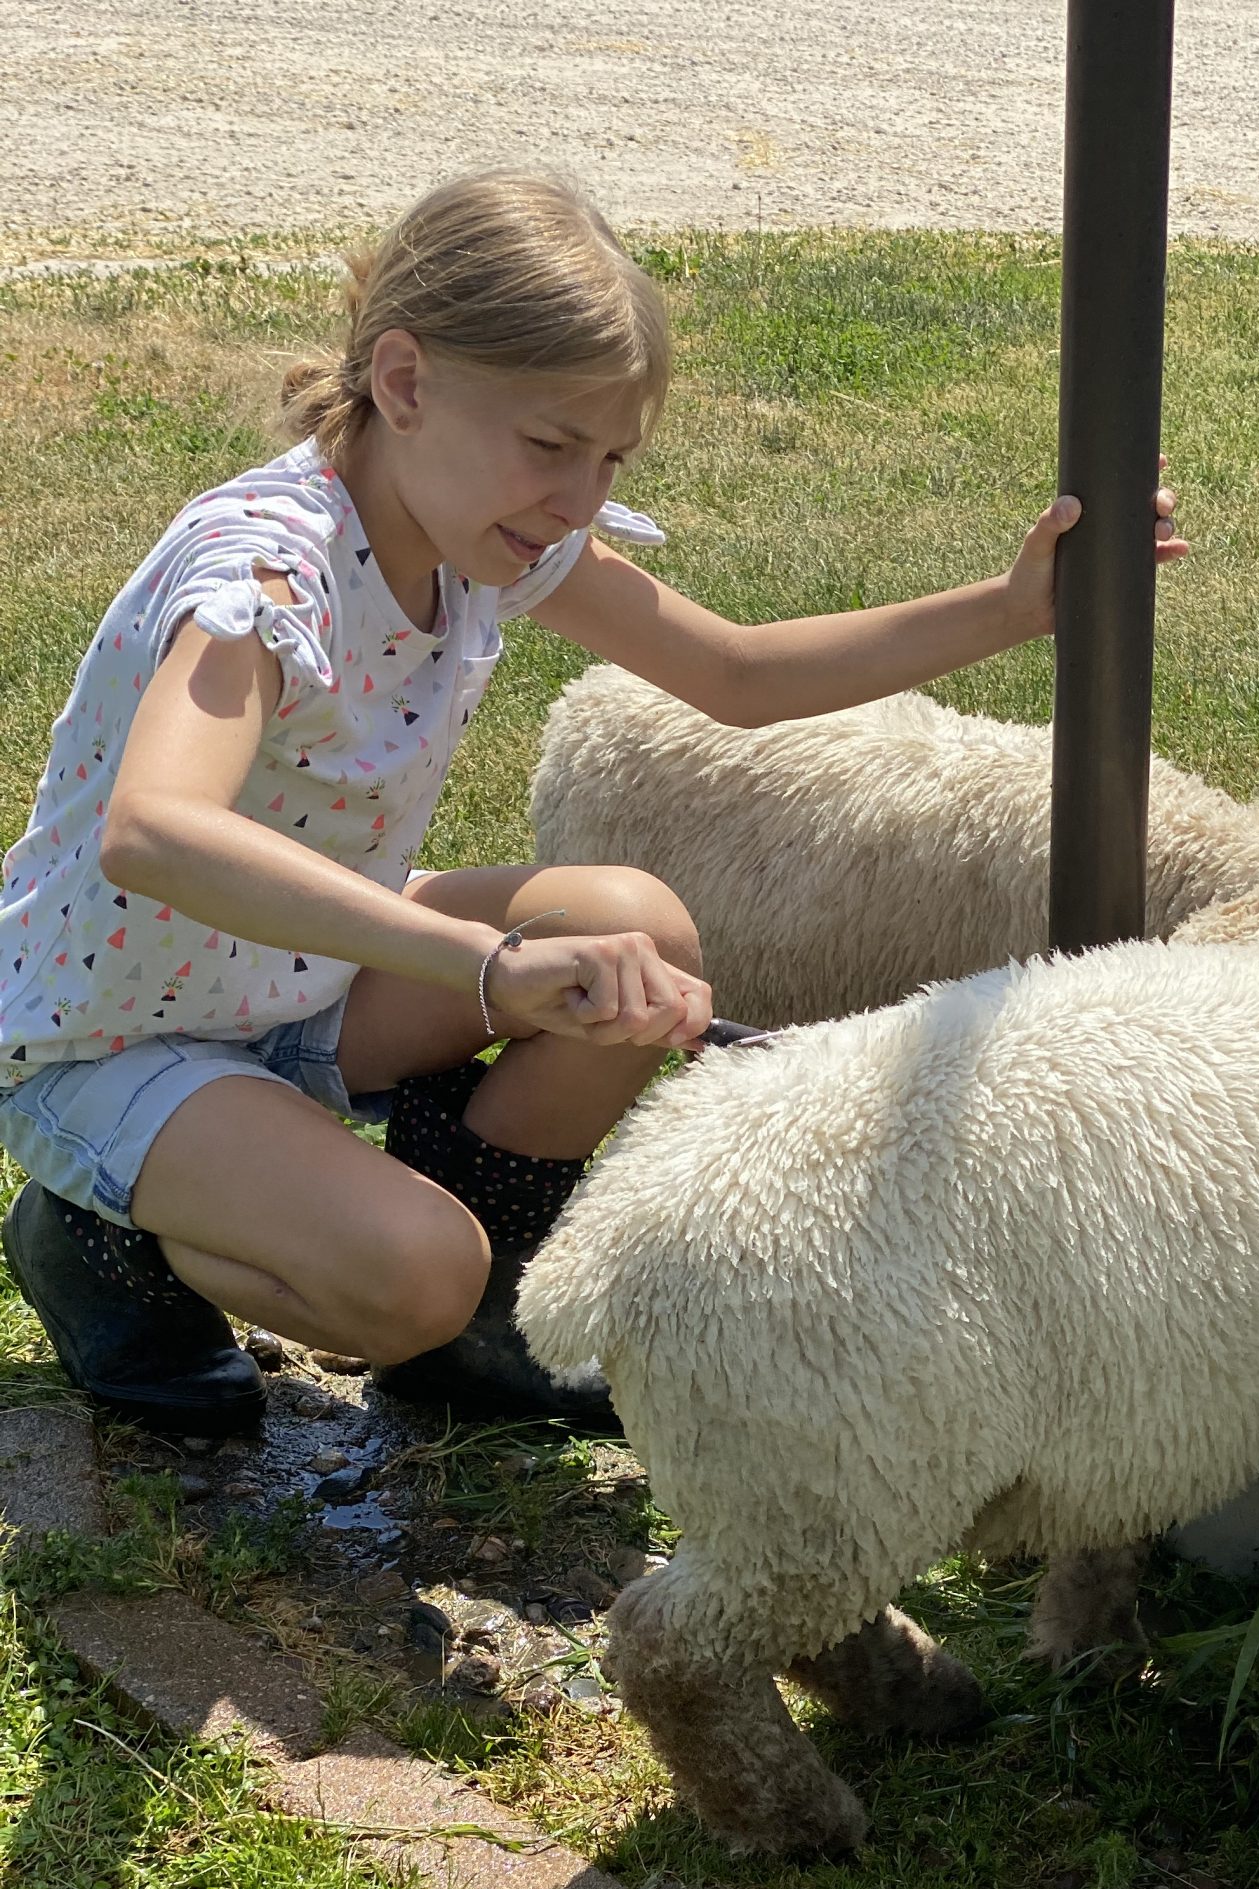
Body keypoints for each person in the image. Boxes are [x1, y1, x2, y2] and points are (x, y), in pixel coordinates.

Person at [0, 172, 1183, 1437]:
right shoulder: (265, 568)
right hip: (116, 1033)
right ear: (404, 385)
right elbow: (156, 832)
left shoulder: (486, 528)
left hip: (300, 979)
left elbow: (739, 673)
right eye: (551, 446)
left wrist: (1009, 610)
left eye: (609, 456)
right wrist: (488, 962)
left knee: (638, 925)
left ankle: (485, 1325)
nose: (578, 499)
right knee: (414, 1276)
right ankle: (98, 1235)